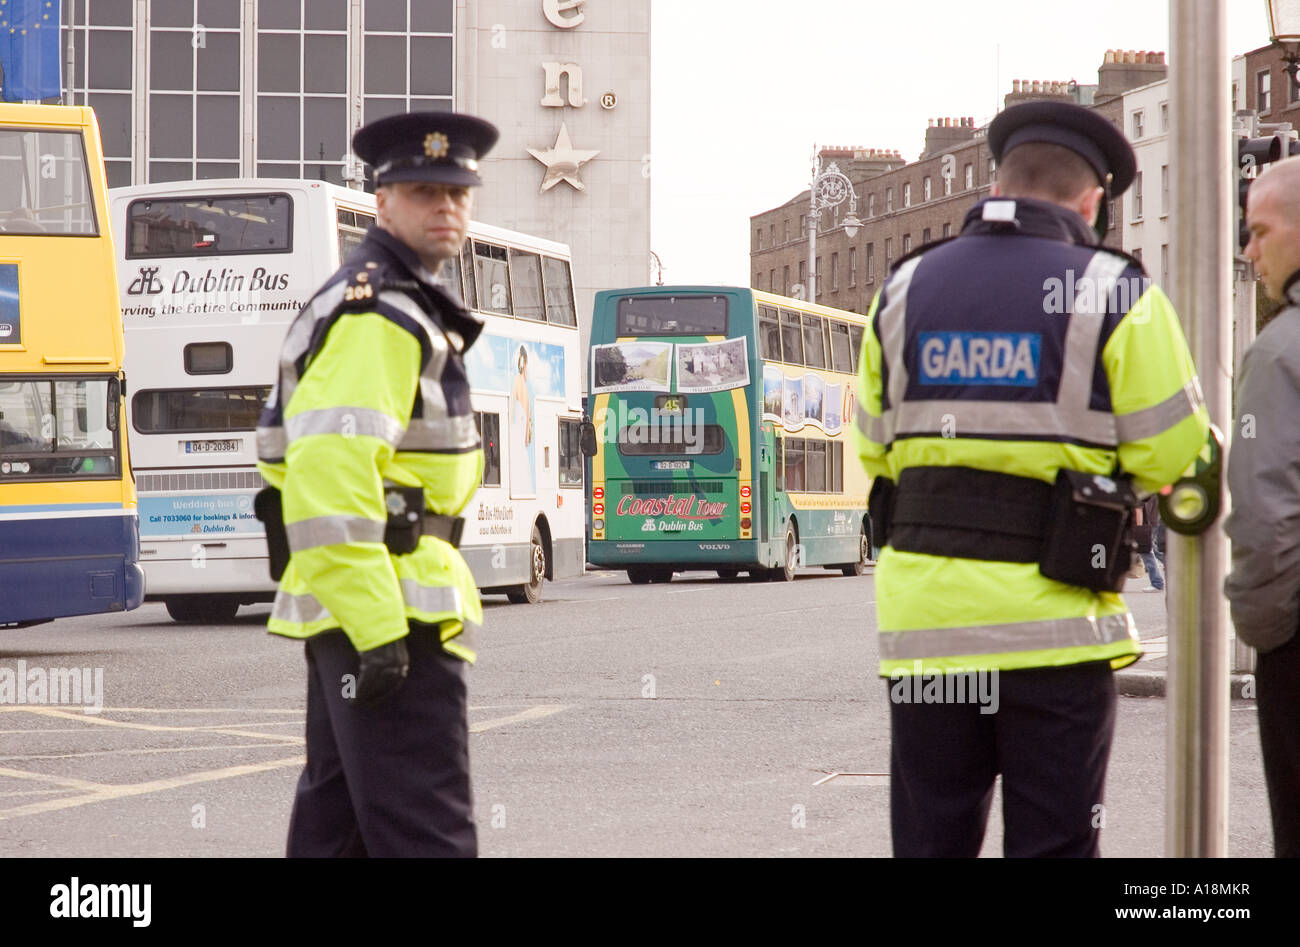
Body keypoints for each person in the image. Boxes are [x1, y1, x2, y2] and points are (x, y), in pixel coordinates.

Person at [852, 100, 1209, 857]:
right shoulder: (1117, 292)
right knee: (1053, 844)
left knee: (930, 841)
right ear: (1094, 201)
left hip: (928, 634)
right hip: (1056, 635)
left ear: (996, 182)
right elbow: (1172, 454)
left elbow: (876, 450)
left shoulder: (903, 289)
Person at [255, 111, 498, 857]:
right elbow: (330, 480)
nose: (446, 207)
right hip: (391, 615)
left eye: (458, 192)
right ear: (382, 201)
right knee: (427, 836)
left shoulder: (387, 298)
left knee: (341, 834)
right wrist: (381, 632)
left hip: (363, 612)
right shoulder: (380, 313)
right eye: (425, 191)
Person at [1224, 155, 1300, 858]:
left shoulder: (1278, 352)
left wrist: (1264, 633)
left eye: (1259, 231)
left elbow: (1263, 515)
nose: (1250, 252)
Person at [1135, 495, 1164, 592]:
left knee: (1148, 552)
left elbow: (1138, 509)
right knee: (1150, 551)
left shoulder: (1141, 490)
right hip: (1151, 523)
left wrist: (1138, 529)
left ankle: (1157, 583)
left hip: (1144, 525)